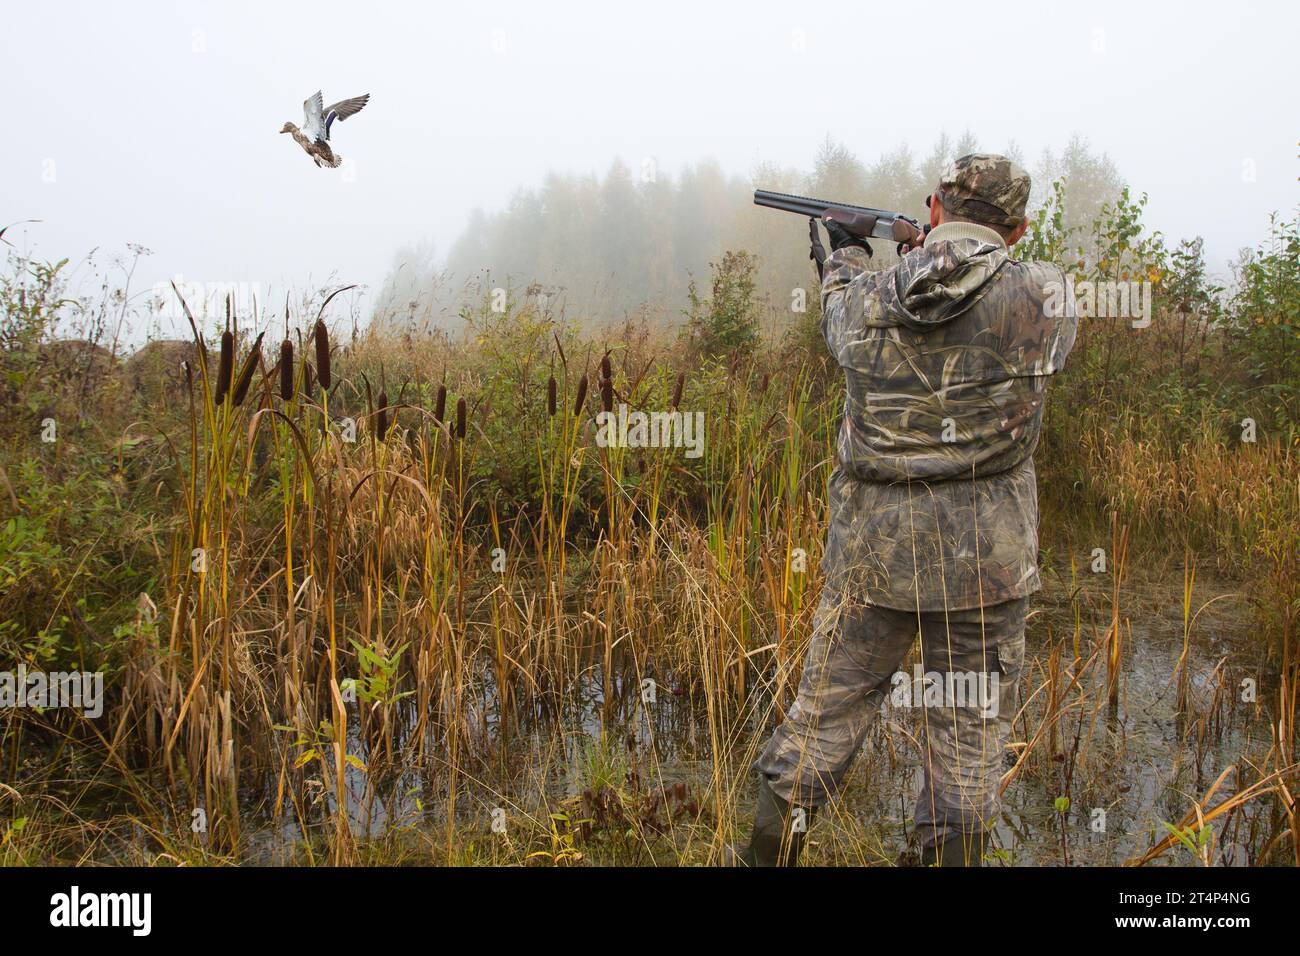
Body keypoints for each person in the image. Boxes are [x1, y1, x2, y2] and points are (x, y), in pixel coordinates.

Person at [728, 154, 1078, 867]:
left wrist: (847, 254)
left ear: (935, 206)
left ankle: (765, 861)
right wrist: (944, 256)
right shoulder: (1047, 295)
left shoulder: (869, 293)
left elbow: (841, 325)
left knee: (823, 721)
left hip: (873, 556)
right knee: (968, 737)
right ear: (1020, 227)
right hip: (988, 564)